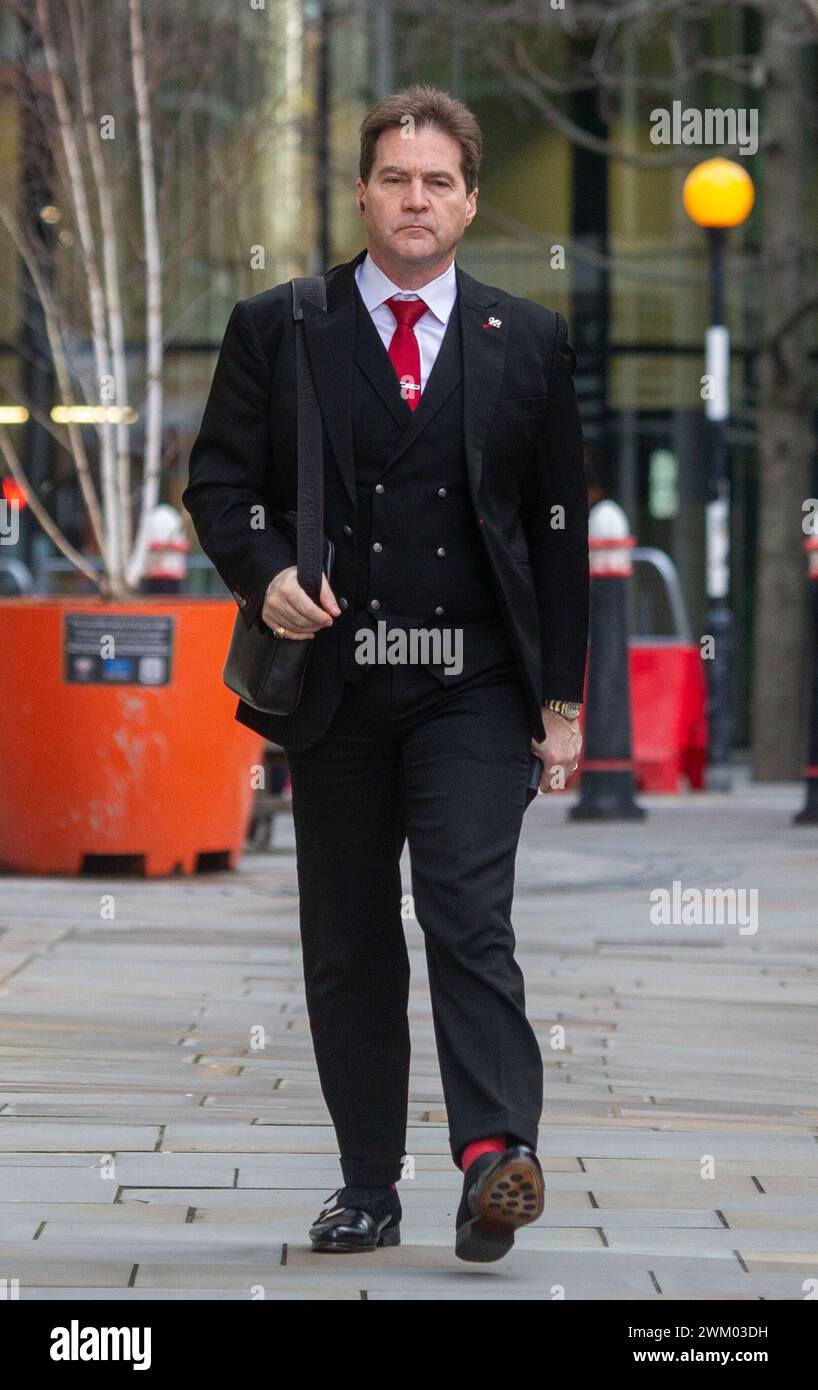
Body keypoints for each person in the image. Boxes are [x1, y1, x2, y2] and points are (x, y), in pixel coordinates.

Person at [183, 83, 589, 1264]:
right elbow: (218, 480)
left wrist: (559, 705)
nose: (416, 199)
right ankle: (366, 1186)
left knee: (468, 914)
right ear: (362, 191)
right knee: (350, 936)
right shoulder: (283, 324)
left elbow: (557, 527)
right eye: (396, 178)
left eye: (439, 181)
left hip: (472, 683)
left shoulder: (529, 340)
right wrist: (262, 571)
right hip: (338, 685)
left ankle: (490, 1158)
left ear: (470, 203)